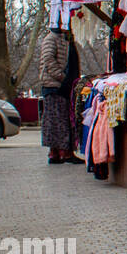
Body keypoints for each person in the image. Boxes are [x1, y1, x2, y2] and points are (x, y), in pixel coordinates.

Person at [38, 25, 83, 164]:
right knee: (58, 120)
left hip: (63, 86)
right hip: (55, 86)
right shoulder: (51, 38)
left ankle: (58, 152)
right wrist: (63, 77)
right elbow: (49, 61)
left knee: (59, 119)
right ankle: (62, 152)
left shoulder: (65, 38)